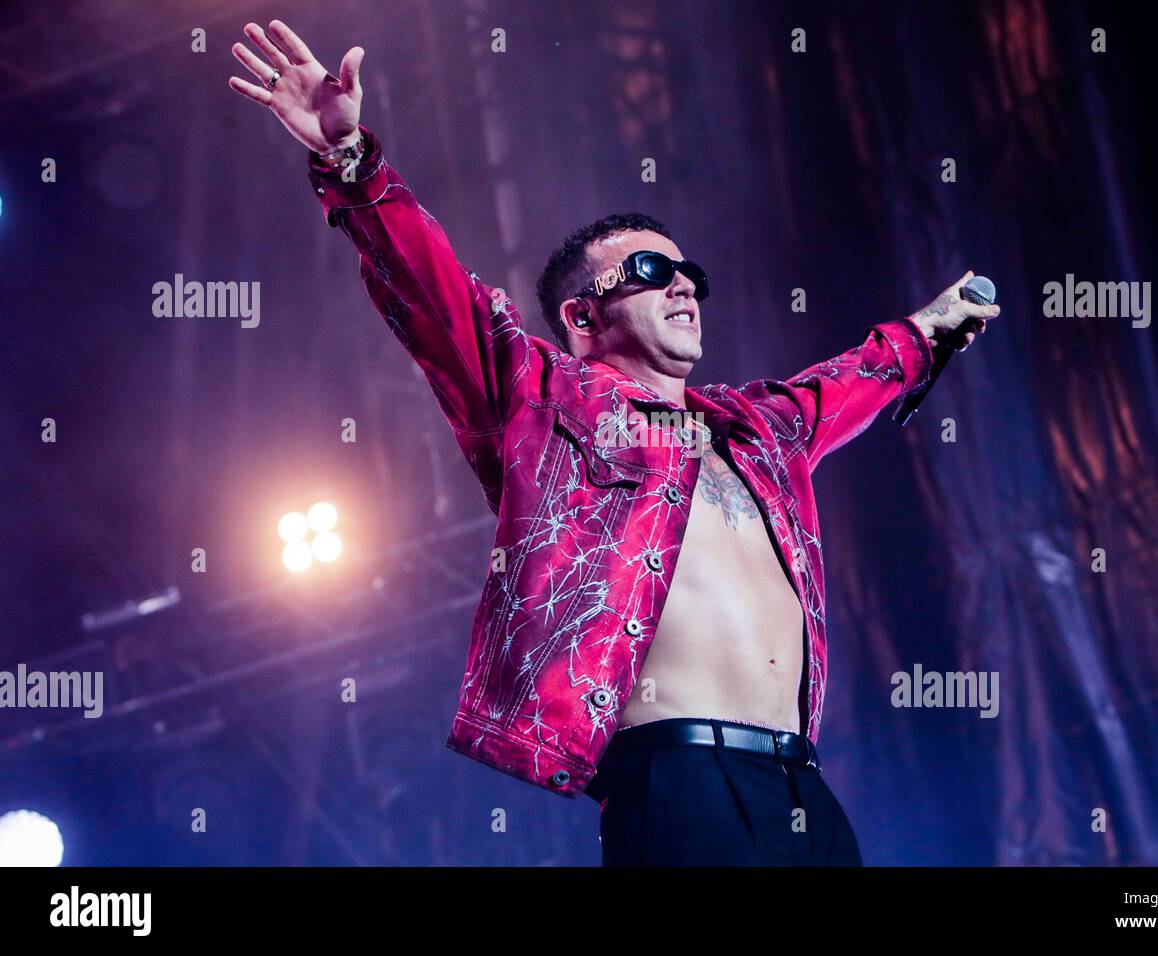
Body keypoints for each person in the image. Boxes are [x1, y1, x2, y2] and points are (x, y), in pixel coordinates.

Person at [227, 20, 998, 866]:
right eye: (646, 272)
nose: (682, 287)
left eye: (688, 275)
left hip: (803, 789)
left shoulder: (758, 428)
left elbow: (851, 380)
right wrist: (354, 166)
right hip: (677, 783)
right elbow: (438, 297)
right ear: (583, 316)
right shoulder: (545, 399)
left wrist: (931, 328)